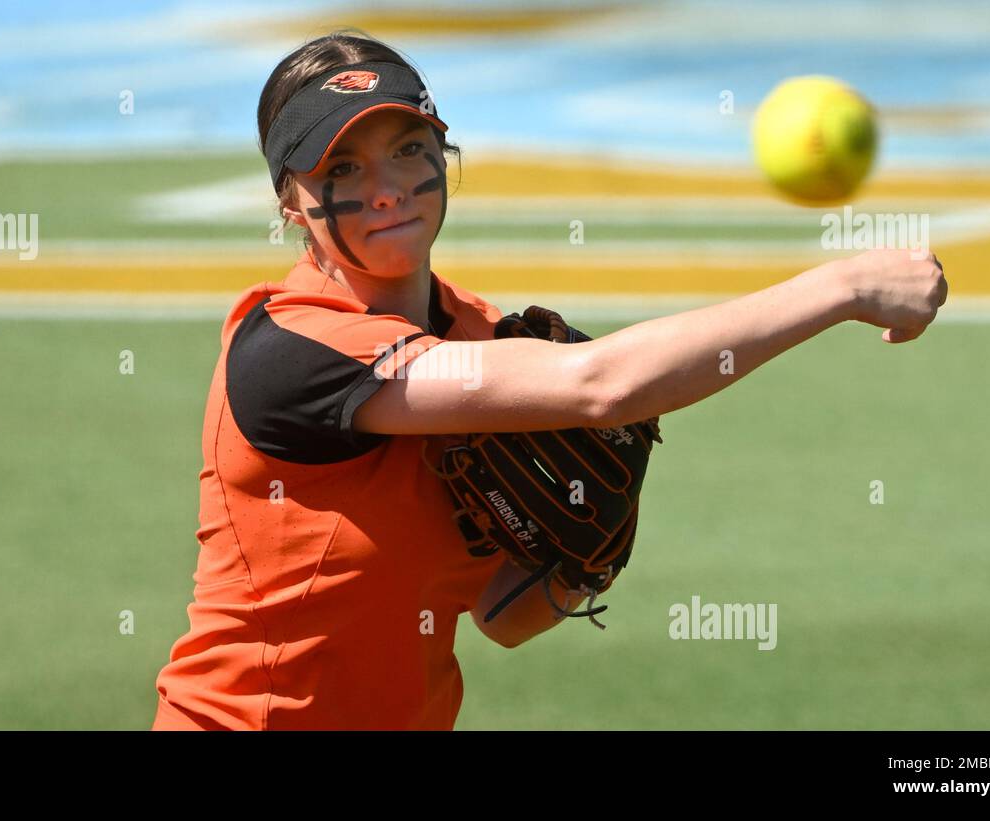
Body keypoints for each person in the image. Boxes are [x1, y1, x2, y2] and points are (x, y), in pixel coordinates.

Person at [151, 31, 948, 731]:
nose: (385, 186)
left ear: (442, 155)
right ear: (291, 201)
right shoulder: (291, 349)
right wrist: (841, 287)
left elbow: (502, 615)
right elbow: (601, 384)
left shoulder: (481, 336)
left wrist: (584, 554)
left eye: (406, 148)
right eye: (342, 166)